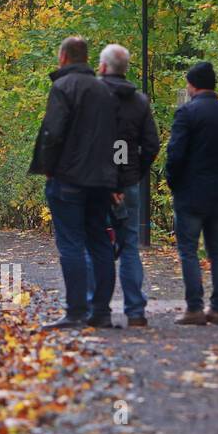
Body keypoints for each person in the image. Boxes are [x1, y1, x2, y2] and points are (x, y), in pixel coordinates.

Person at [30, 36, 119, 330]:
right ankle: (101, 311)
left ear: (64, 58)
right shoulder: (104, 90)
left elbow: (53, 133)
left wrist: (49, 168)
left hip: (68, 178)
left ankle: (76, 311)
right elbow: (116, 137)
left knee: (71, 244)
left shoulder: (63, 87)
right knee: (100, 242)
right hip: (100, 179)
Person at [165, 62, 218, 325]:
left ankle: (195, 308)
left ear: (193, 85)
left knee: (188, 250)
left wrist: (172, 181)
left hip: (190, 192)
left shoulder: (187, 113)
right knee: (216, 250)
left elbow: (175, 153)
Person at [95, 44, 160, 327]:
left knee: (97, 245)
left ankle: (98, 309)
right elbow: (152, 145)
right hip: (129, 184)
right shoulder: (140, 102)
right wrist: (134, 173)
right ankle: (135, 312)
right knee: (130, 245)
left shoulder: (92, 97)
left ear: (103, 66)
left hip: (96, 184)